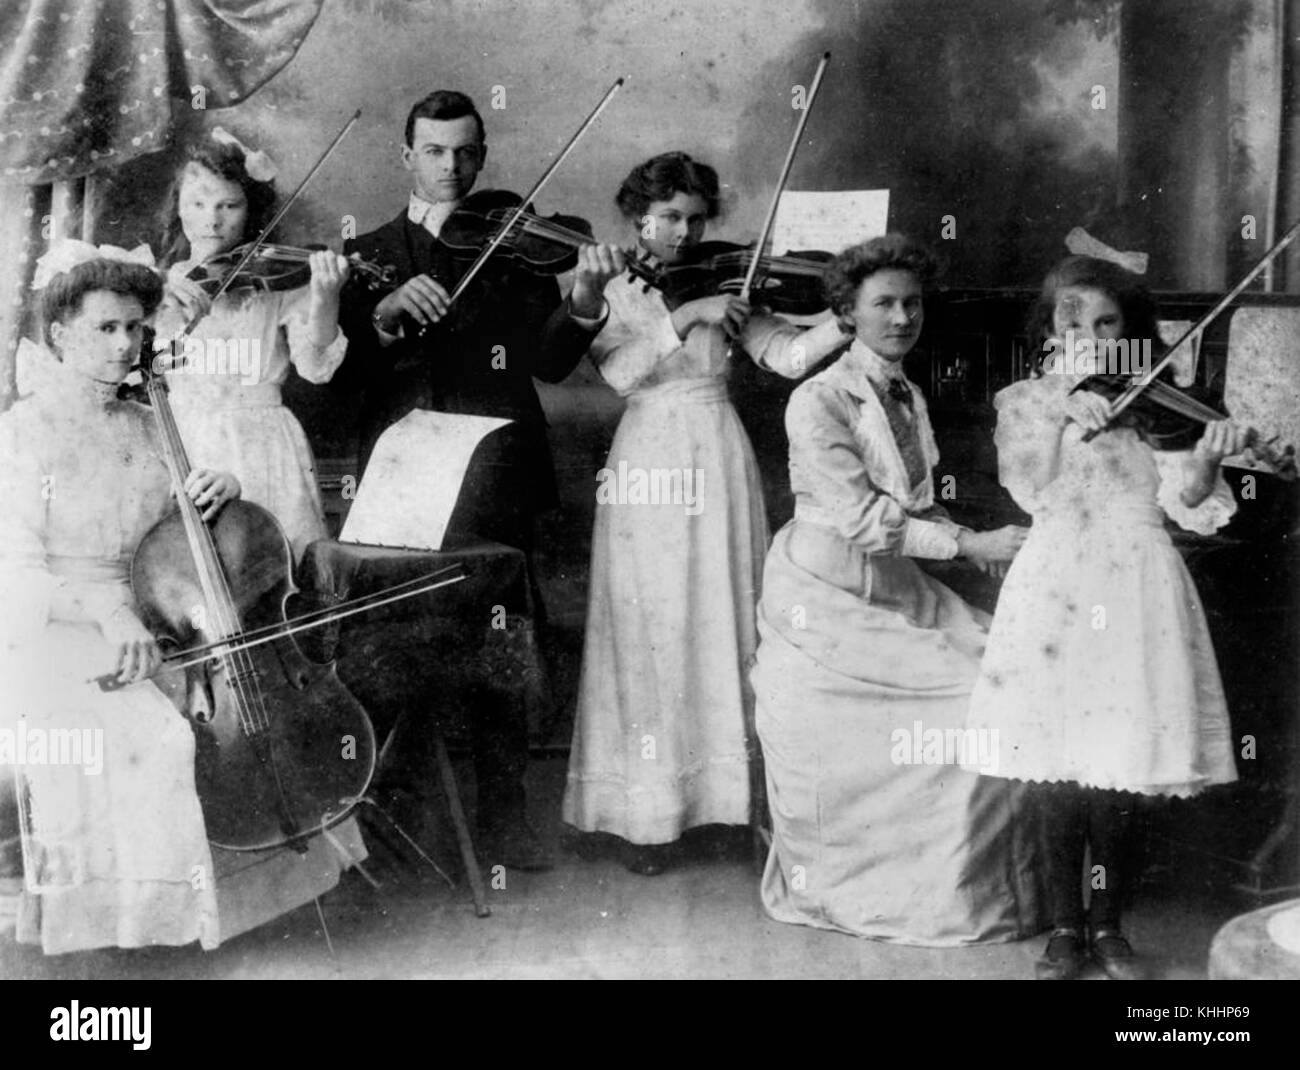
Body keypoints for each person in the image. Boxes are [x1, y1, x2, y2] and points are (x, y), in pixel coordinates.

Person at [339, 90, 626, 871]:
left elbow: (549, 361)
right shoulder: (365, 256)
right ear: (406, 156)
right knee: (391, 649)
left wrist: (585, 299)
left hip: (496, 467)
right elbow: (336, 380)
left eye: (466, 152)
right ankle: (391, 821)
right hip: (400, 470)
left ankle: (502, 822)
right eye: (434, 151)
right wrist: (385, 315)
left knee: (499, 652)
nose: (452, 168)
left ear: (483, 154)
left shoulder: (516, 243)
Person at [561, 152, 852, 875]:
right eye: (670, 219)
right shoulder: (609, 287)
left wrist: (847, 321)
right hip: (647, 460)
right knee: (650, 628)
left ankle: (723, 806)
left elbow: (785, 356)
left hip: (719, 455)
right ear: (639, 219)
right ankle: (649, 814)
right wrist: (687, 315)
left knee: (722, 616)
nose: (686, 234)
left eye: (696, 220)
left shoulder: (728, 282)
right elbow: (623, 373)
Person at [750, 234, 1044, 945]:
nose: (902, 316)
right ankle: (907, 893)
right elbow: (865, 520)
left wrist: (995, 545)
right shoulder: (818, 400)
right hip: (826, 588)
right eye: (883, 303)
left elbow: (914, 505)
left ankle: (987, 888)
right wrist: (973, 546)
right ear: (846, 314)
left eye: (912, 303)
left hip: (896, 582)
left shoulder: (905, 391)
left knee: (1009, 676)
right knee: (970, 696)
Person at [964, 254, 1243, 979]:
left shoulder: (1160, 402)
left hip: (1137, 580)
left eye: (1107, 322)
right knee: (1056, 764)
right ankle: (1064, 927)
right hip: (1056, 579)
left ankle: (1110, 925)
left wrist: (1207, 464)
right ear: (1048, 326)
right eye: (1071, 318)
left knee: (1118, 765)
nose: (1087, 333)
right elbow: (1030, 486)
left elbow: (1193, 507)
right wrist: (1062, 412)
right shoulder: (1026, 400)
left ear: (1133, 330)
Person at [0, 246, 242, 953]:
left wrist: (217, 488)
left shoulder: (146, 425)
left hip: (151, 622)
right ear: (60, 335)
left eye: (136, 328)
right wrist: (106, 613)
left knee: (197, 738)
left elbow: (176, 535)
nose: (127, 345)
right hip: (55, 630)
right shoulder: (22, 433)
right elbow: (12, 570)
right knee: (160, 741)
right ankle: (120, 929)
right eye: (106, 329)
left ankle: (161, 925)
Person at [154, 128, 352, 560]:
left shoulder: (276, 281)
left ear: (251, 210)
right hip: (185, 438)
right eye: (198, 204)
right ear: (178, 207)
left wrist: (325, 296)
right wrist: (158, 296)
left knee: (274, 567)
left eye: (229, 205)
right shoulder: (157, 284)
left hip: (263, 443)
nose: (212, 220)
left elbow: (316, 367)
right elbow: (142, 372)